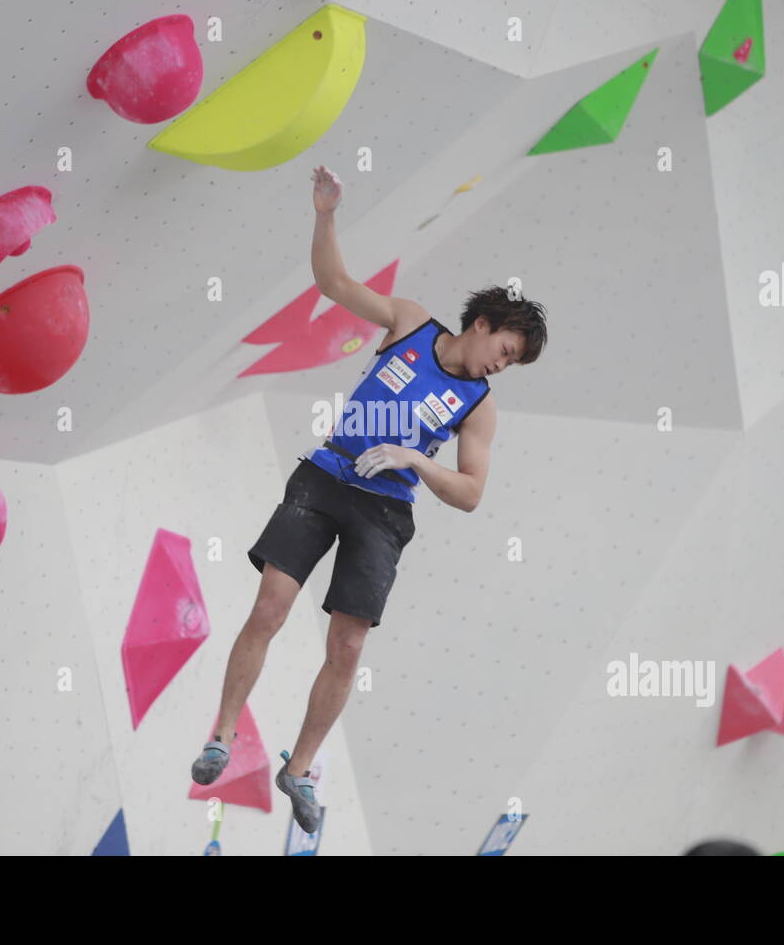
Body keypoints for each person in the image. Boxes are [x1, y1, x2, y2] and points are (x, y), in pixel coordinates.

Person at [192, 166, 548, 833]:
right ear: (481, 324)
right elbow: (334, 285)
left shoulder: (480, 407)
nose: (501, 365)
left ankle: (297, 770)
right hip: (326, 478)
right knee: (270, 604)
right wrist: (325, 215)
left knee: (348, 647)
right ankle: (222, 732)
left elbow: (471, 494)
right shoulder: (410, 323)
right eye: (503, 350)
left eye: (511, 364)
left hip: (385, 509)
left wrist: (417, 459)